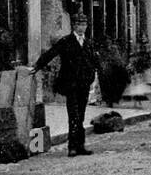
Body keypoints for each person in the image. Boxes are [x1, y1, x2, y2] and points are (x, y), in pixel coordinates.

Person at [33, 13, 100, 157]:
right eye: (78, 25)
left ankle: (80, 146)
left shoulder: (89, 43)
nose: (81, 28)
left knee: (81, 114)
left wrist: (94, 75)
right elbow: (51, 53)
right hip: (70, 84)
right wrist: (37, 66)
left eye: (84, 25)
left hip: (83, 84)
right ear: (74, 26)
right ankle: (72, 147)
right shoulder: (66, 41)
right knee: (73, 114)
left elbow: (95, 61)